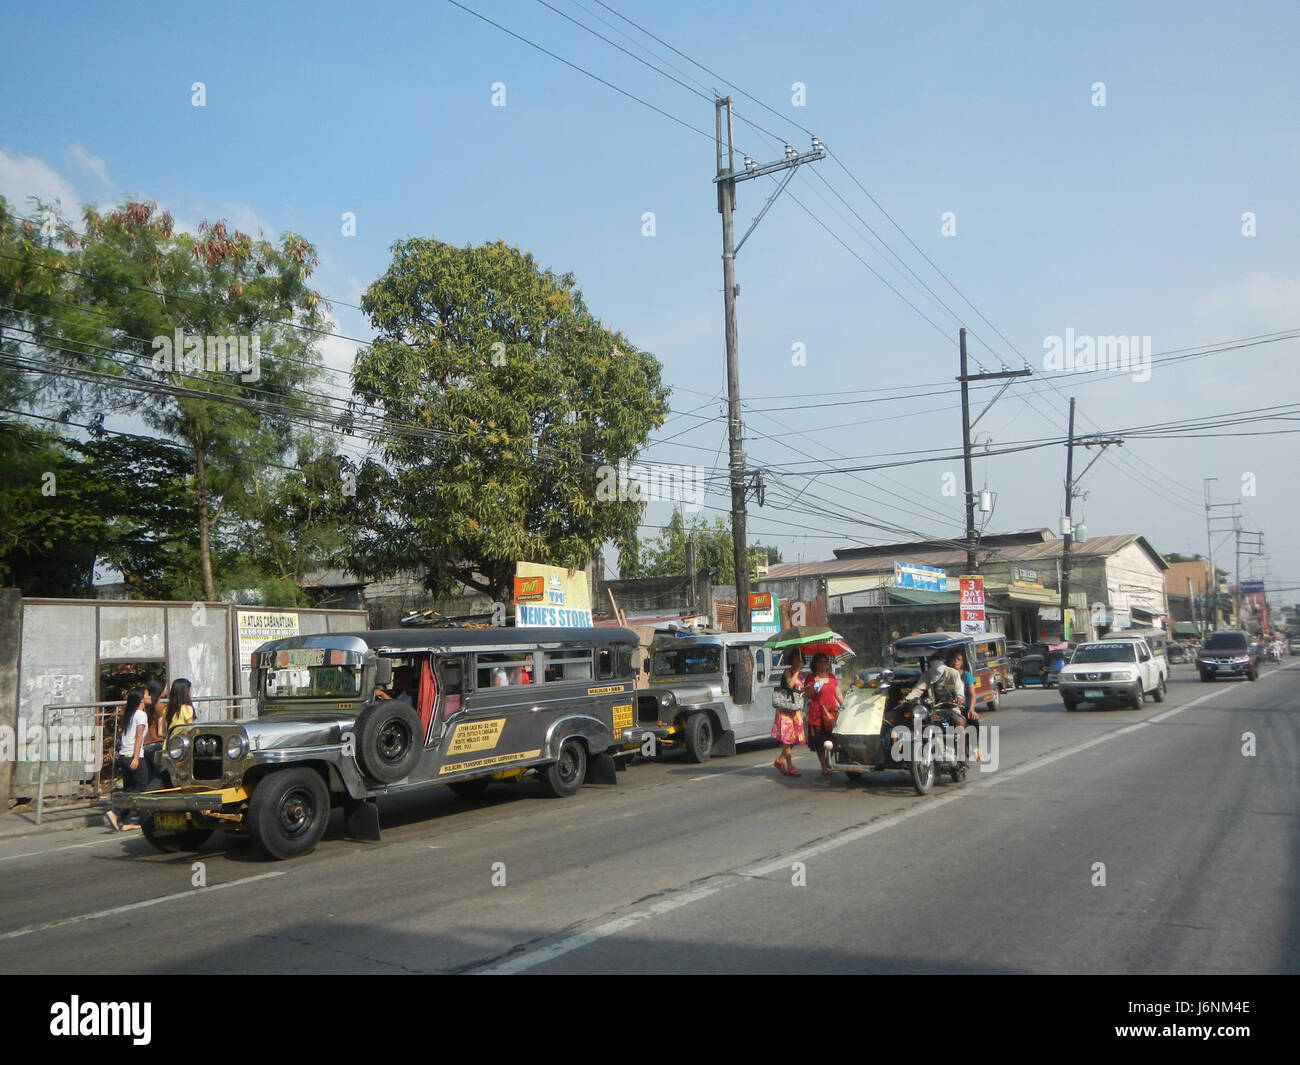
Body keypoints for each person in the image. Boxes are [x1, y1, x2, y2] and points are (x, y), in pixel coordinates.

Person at [105, 687, 149, 831]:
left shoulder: (129, 714)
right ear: (141, 699)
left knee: (130, 788)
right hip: (133, 755)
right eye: (147, 694)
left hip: (124, 755)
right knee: (142, 787)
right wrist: (136, 757)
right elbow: (138, 737)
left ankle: (129, 820)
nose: (150, 697)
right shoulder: (141, 715)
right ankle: (116, 811)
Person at [804, 652, 845, 775]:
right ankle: (823, 766)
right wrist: (814, 684)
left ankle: (828, 760)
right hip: (817, 714)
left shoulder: (832, 677)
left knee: (833, 741)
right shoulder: (810, 678)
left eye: (825, 662)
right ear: (815, 664)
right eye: (820, 662)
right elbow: (808, 695)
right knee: (820, 743)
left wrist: (845, 706)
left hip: (831, 715)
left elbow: (838, 695)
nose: (823, 665)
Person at [770, 651, 806, 776]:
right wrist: (797, 671)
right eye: (796, 659)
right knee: (787, 739)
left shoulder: (800, 675)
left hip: (795, 710)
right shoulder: (788, 672)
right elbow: (790, 684)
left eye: (800, 659)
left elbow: (798, 689)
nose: (798, 662)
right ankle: (790, 765)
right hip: (785, 710)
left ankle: (780, 760)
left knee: (795, 738)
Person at [141, 678, 167, 779]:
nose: (167, 689)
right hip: (157, 745)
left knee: (150, 778)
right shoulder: (161, 707)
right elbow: (161, 732)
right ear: (160, 689)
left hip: (146, 745)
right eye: (165, 687)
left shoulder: (147, 707)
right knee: (159, 778)